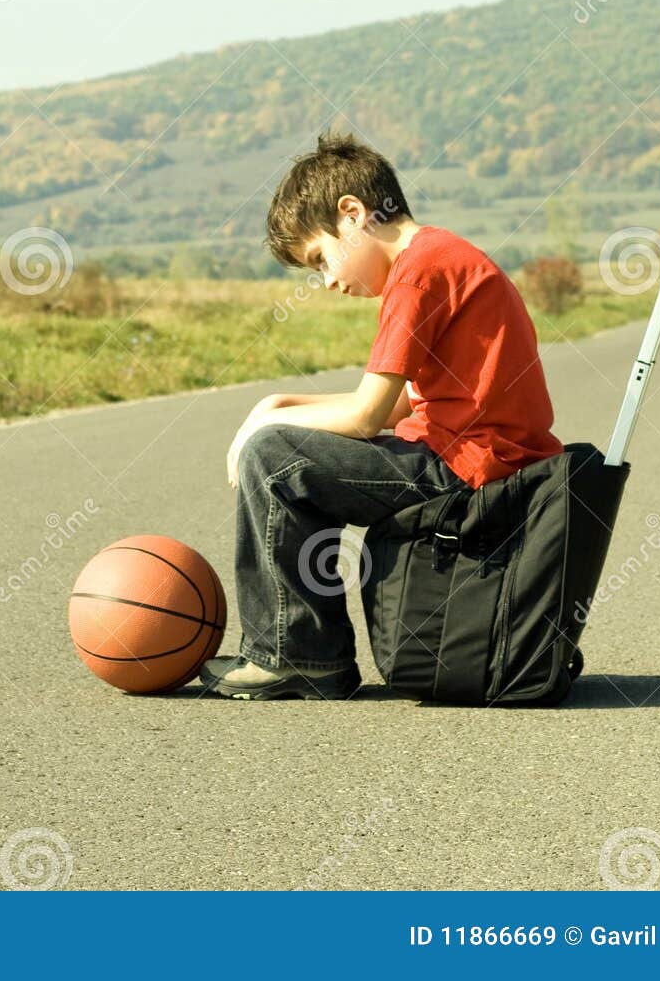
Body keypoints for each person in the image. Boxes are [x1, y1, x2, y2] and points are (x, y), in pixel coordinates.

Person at [198, 129, 562, 700]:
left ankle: (293, 655)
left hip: (466, 467)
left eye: (320, 258)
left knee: (273, 459)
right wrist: (276, 405)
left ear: (353, 214)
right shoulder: (437, 255)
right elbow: (399, 404)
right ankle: (308, 654)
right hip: (467, 455)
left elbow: (367, 416)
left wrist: (262, 430)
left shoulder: (417, 273)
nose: (327, 281)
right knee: (283, 440)